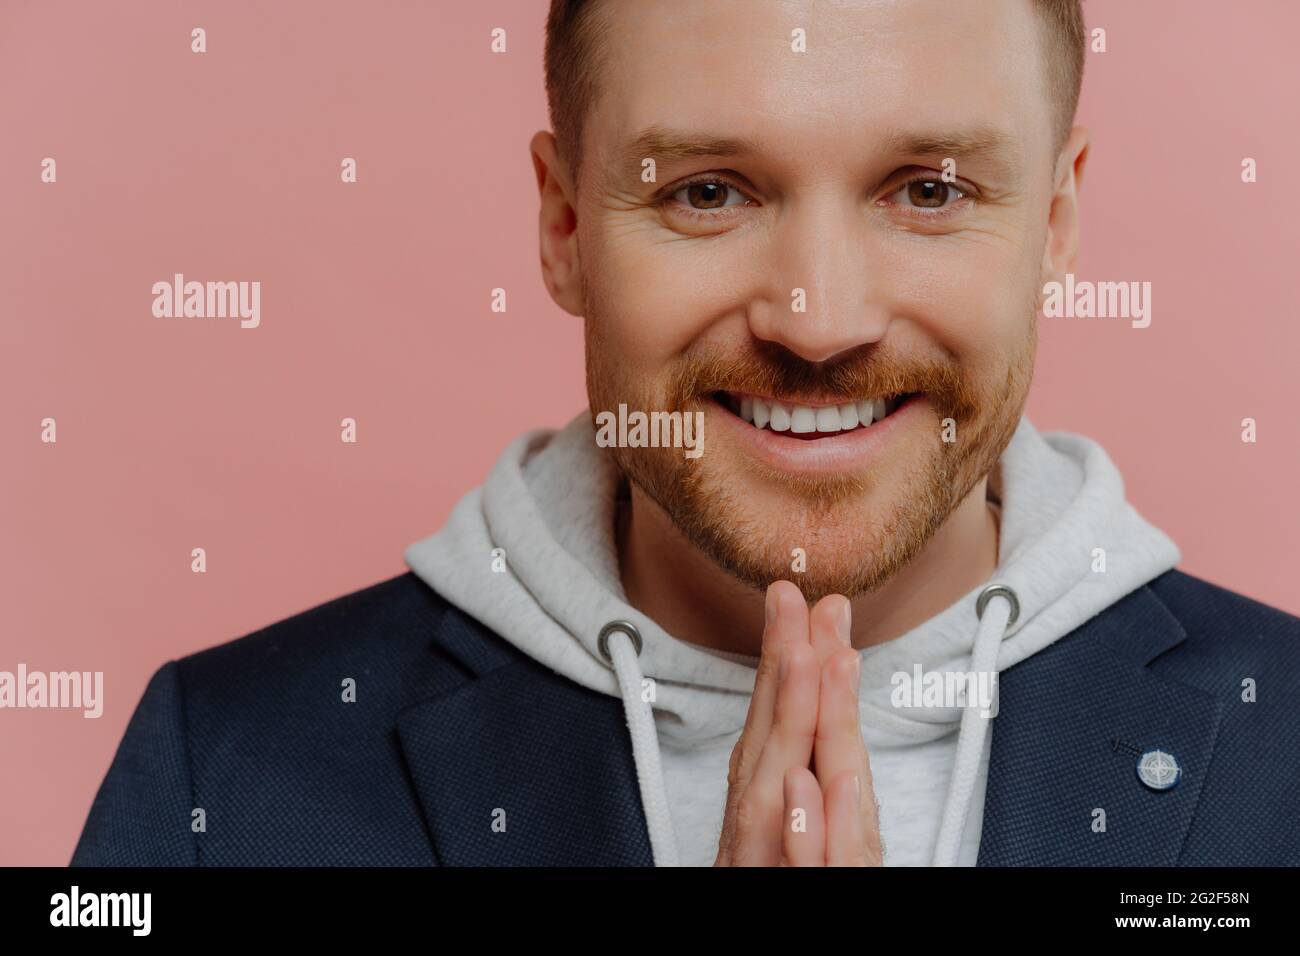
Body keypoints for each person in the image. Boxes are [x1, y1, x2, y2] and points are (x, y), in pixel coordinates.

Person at [72, 0, 1300, 867]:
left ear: (1059, 222)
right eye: (706, 191)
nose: (817, 321)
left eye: (928, 189)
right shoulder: (220, 769)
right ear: (562, 227)